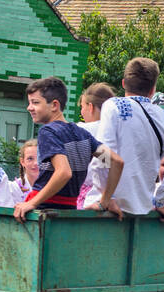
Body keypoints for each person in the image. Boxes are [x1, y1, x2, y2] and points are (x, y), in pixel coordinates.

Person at [13, 76, 123, 219]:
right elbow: (117, 162)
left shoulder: (48, 132)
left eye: (35, 102)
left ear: (54, 105)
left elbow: (64, 172)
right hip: (69, 211)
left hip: (43, 211)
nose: (29, 108)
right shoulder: (82, 134)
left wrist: (32, 203)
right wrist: (105, 201)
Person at [95, 57, 164, 216]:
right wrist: (159, 200)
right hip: (144, 210)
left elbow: (103, 155)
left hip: (108, 209)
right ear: (153, 89)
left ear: (124, 83)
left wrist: (106, 198)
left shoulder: (113, 106)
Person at [76, 83, 116, 209]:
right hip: (117, 195)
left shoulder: (81, 130)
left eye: (82, 107)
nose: (82, 112)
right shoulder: (119, 129)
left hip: (90, 196)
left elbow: (101, 164)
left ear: (91, 107)